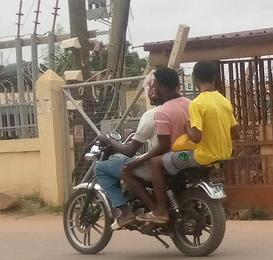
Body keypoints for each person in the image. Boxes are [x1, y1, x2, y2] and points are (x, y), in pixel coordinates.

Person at [137, 60, 237, 225]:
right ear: (214, 78)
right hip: (224, 154)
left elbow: (196, 137)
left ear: (195, 78)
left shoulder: (197, 103)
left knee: (155, 162)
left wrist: (188, 127)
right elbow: (235, 132)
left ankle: (160, 211)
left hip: (199, 156)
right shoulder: (224, 101)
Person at [119, 67, 191, 221]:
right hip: (186, 156)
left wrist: (137, 161)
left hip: (170, 160)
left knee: (127, 171)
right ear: (177, 85)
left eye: (155, 84)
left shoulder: (162, 112)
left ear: (159, 86)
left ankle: (158, 210)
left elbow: (163, 146)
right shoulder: (190, 104)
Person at [92, 75, 162, 228]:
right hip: (176, 160)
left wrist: (109, 140)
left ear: (153, 90)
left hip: (156, 165)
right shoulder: (186, 106)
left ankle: (125, 212)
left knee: (101, 168)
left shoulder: (152, 115)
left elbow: (130, 151)